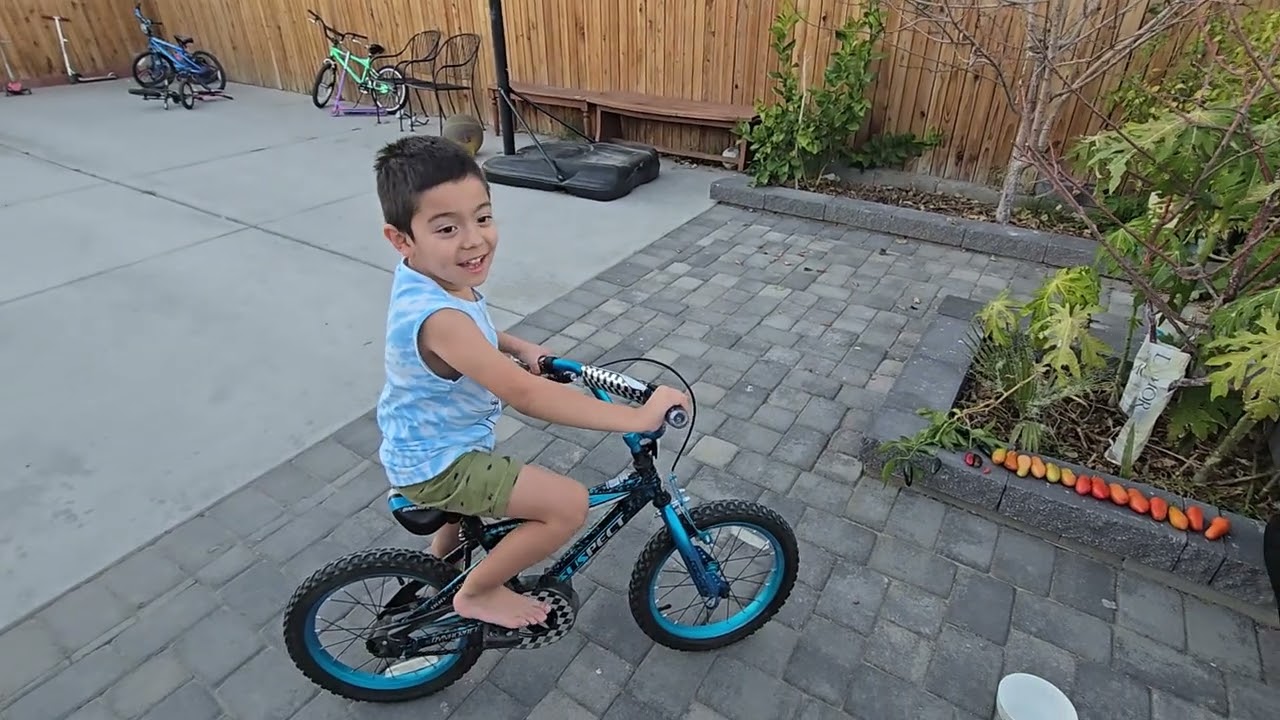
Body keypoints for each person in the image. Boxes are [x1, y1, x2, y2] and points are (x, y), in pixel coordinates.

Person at [372, 135, 689, 630]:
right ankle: (476, 593)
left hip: (424, 446)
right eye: (448, 227)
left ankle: (440, 578)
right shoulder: (440, 316)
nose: (474, 239)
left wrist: (516, 347)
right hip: (441, 464)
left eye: (483, 217)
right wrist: (636, 416)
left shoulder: (430, 279)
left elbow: (471, 332)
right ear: (402, 239)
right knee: (568, 504)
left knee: (465, 522)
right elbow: (525, 395)